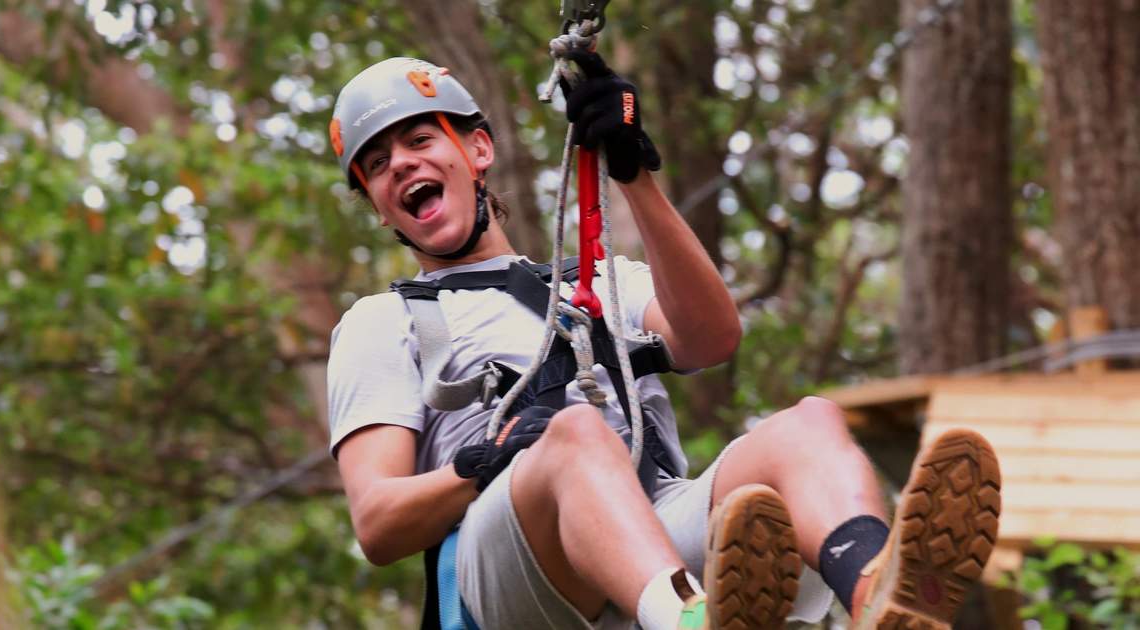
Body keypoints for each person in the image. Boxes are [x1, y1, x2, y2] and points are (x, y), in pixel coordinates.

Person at [326, 53, 1002, 630]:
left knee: (809, 424)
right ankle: (687, 619)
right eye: (377, 164)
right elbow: (378, 523)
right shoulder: (386, 321)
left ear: (477, 150)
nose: (399, 166)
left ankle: (880, 594)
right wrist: (485, 459)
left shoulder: (594, 279)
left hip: (645, 530)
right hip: (507, 571)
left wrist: (631, 172)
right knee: (577, 433)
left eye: (418, 141)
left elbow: (710, 338)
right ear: (378, 203)